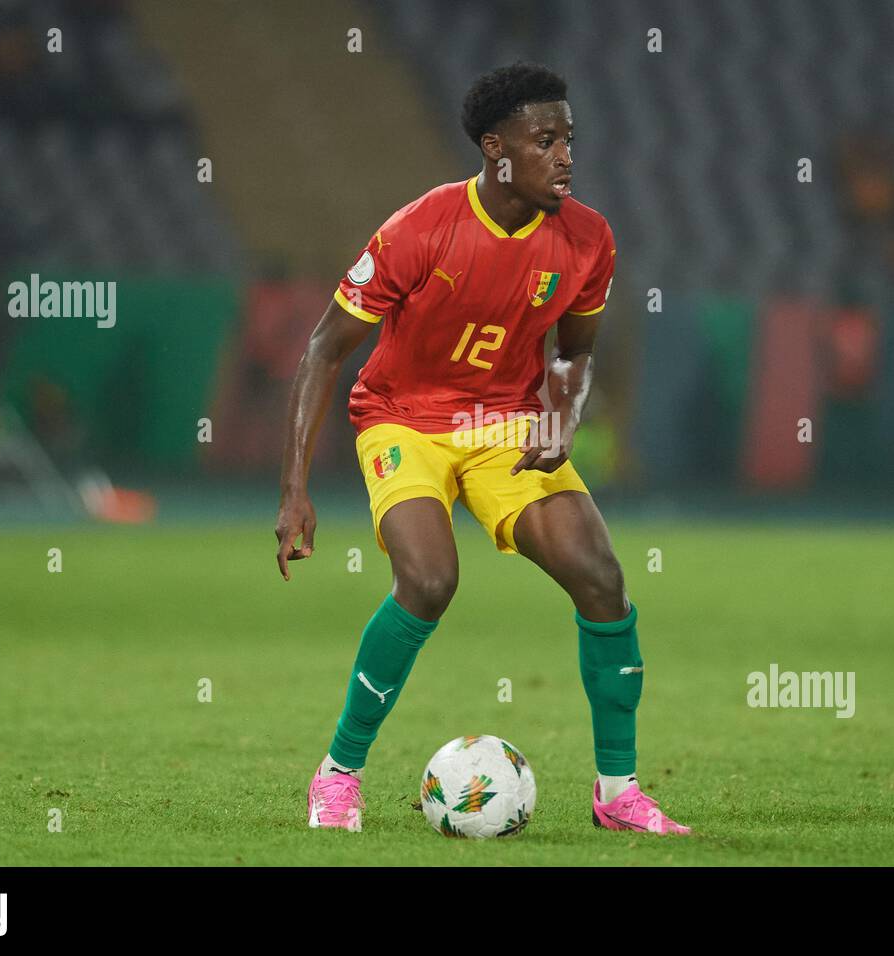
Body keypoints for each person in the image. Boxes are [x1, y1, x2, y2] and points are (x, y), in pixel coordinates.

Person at [275, 63, 689, 835]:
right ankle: (338, 774)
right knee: (429, 580)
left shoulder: (588, 239)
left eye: (569, 139)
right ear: (496, 149)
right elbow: (324, 348)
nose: (565, 155)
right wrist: (295, 487)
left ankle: (618, 792)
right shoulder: (418, 229)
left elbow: (575, 351)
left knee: (600, 577)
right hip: (404, 418)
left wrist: (560, 418)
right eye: (545, 140)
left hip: (504, 424)